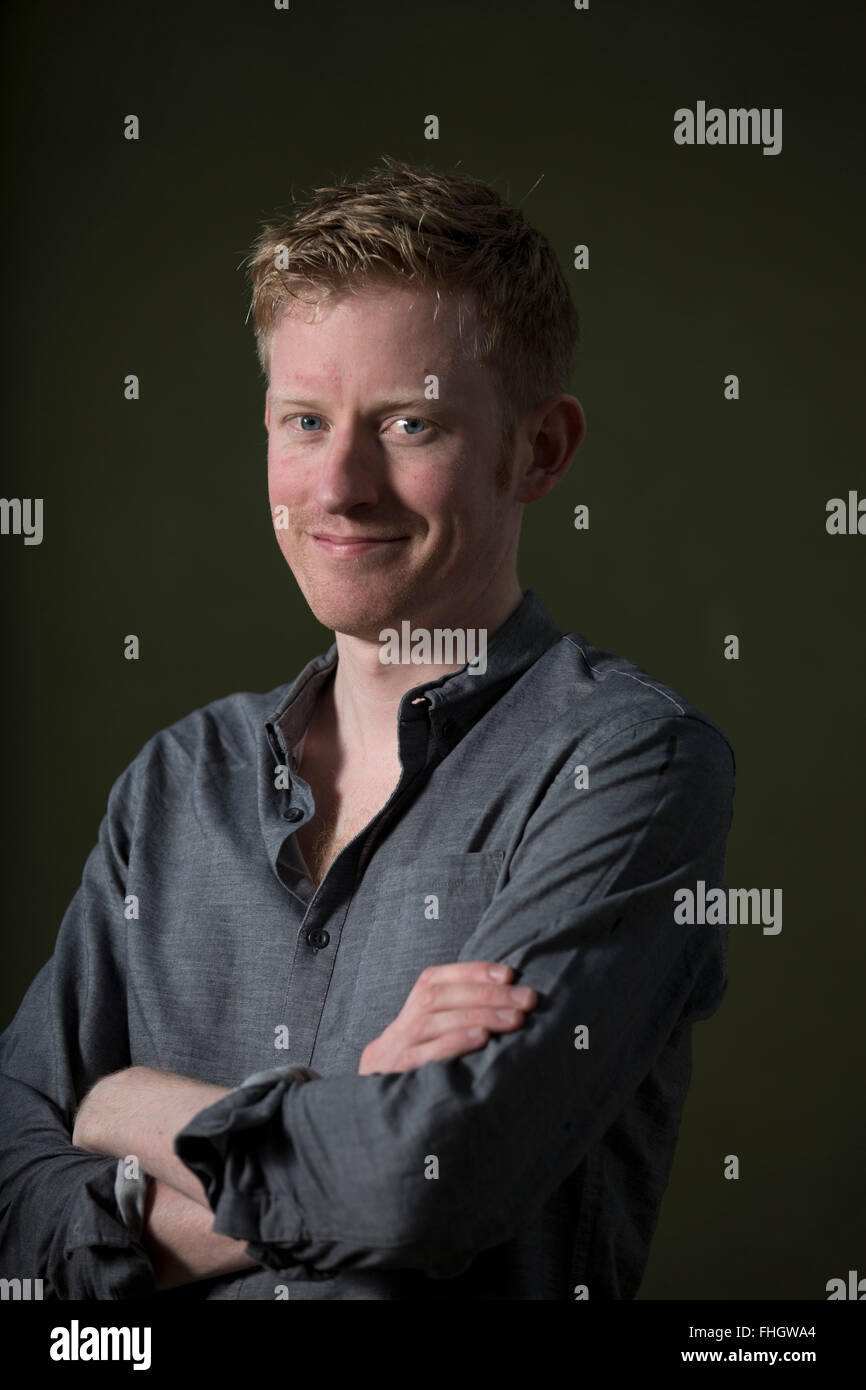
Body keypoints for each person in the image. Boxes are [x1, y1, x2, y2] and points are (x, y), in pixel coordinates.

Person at [0, 156, 735, 1300]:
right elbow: (8, 1214)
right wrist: (341, 1108)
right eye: (303, 419)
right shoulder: (173, 786)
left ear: (539, 449)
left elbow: (419, 1189)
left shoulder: (627, 767)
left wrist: (121, 1108)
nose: (338, 484)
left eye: (407, 424)